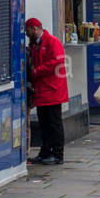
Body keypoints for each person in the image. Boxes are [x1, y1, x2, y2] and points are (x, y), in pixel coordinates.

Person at [26, 18, 69, 165]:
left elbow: (57, 61)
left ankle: (57, 154)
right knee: (44, 122)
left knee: (54, 123)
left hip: (52, 89)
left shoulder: (52, 42)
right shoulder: (35, 44)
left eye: (28, 31)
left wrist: (37, 71)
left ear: (34, 28)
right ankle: (45, 152)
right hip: (43, 89)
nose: (26, 34)